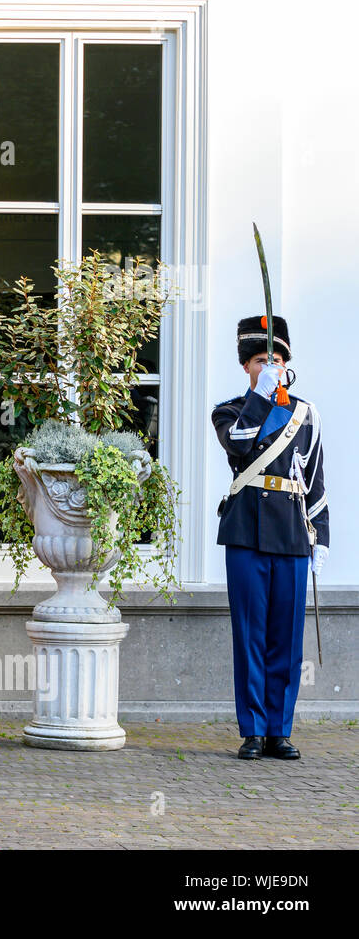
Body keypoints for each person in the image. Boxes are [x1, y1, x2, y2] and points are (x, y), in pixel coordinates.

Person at [211, 315, 328, 760]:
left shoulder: (307, 414)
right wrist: (259, 401)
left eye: (277, 359)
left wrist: (323, 538)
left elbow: (315, 481)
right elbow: (239, 445)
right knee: (250, 634)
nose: (271, 367)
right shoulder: (229, 411)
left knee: (287, 636)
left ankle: (280, 729)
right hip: (245, 530)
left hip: (294, 533)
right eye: (262, 360)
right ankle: (253, 730)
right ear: (247, 367)